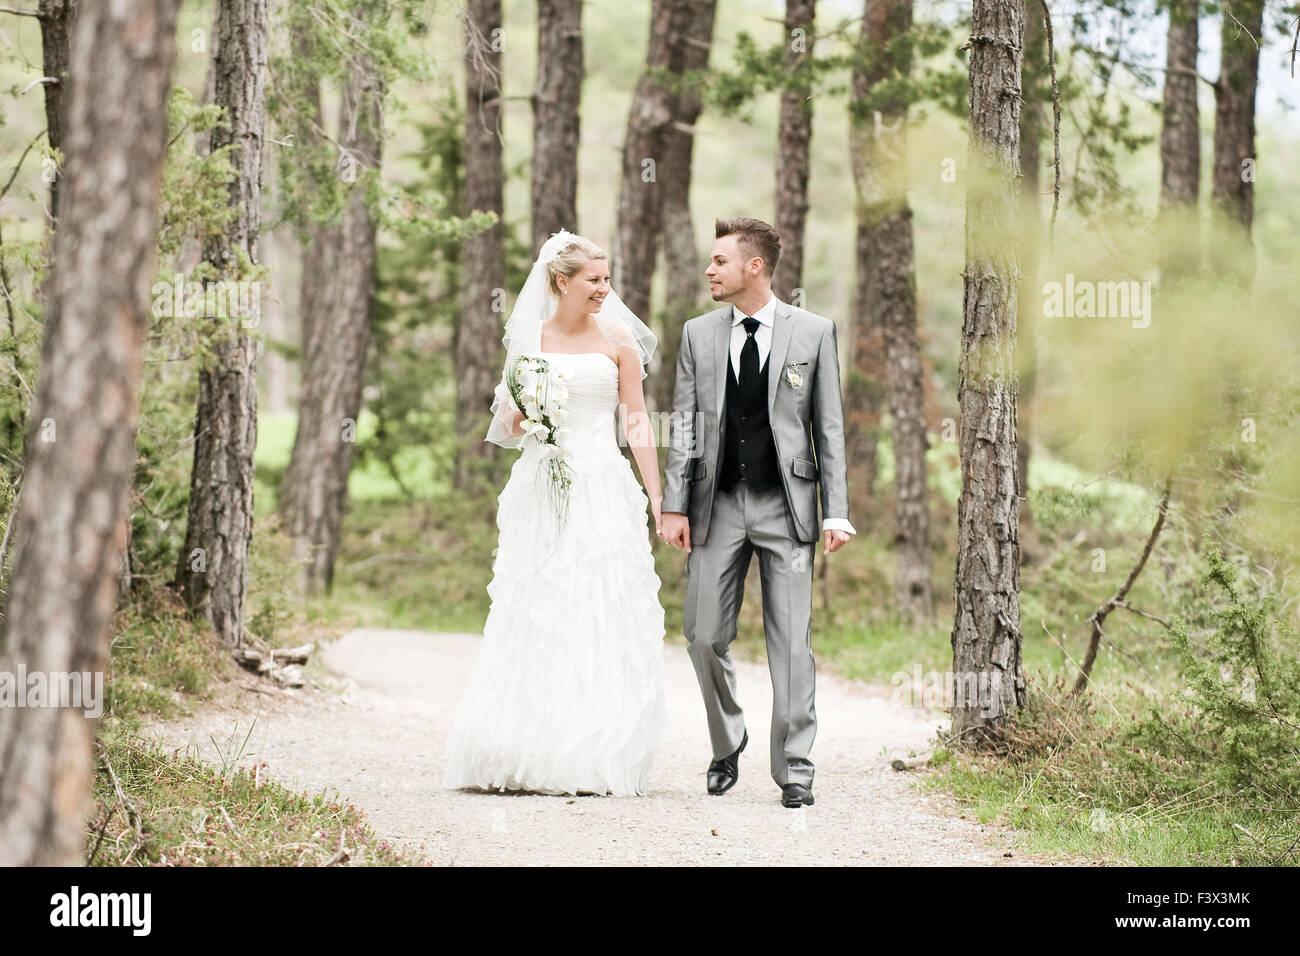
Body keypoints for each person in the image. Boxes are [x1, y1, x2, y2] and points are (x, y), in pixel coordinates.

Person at [443, 230, 667, 796]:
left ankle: (592, 752)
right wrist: (533, 417)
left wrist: (658, 495)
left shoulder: (619, 342)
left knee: (598, 601)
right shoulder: (531, 340)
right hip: (543, 483)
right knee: (539, 601)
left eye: (607, 278)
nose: (605, 288)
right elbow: (508, 422)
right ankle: (525, 745)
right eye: (594, 279)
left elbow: (635, 421)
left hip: (602, 485)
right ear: (561, 281)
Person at [660, 216, 855, 809]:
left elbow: (829, 426)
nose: (709, 270)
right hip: (715, 507)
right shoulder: (698, 334)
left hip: (787, 507)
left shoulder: (814, 333)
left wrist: (836, 511)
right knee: (702, 635)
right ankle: (729, 737)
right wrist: (673, 504)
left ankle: (795, 766)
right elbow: (686, 426)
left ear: (755, 267)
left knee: (792, 643)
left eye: (719, 260)